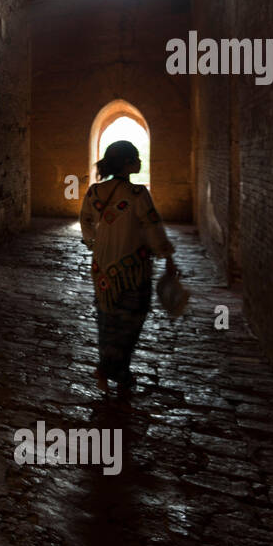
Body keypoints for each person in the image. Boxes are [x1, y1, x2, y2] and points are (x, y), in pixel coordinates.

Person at [79, 140, 175, 394]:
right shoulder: (138, 194)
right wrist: (166, 254)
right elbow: (153, 228)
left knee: (106, 319)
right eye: (136, 157)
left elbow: (85, 220)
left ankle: (107, 366)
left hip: (102, 269)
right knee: (130, 322)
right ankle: (118, 370)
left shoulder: (94, 192)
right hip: (131, 269)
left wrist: (95, 243)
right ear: (127, 163)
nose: (140, 161)